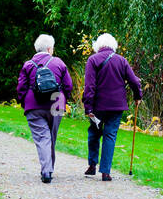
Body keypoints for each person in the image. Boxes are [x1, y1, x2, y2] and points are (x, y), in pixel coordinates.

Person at [82, 32, 142, 181]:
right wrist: (138, 96)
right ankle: (105, 172)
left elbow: (89, 86)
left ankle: (92, 165)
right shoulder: (121, 61)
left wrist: (88, 107)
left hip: (98, 106)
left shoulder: (93, 60)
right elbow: (134, 81)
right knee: (110, 135)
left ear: (98, 46)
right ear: (113, 46)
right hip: (116, 106)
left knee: (94, 134)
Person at [16, 33, 73, 183]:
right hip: (56, 103)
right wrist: (64, 98)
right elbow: (68, 86)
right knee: (50, 137)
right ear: (49, 49)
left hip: (34, 106)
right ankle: (49, 169)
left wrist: (24, 102)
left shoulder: (28, 65)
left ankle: (46, 170)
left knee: (43, 138)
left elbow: (21, 88)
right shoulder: (59, 63)